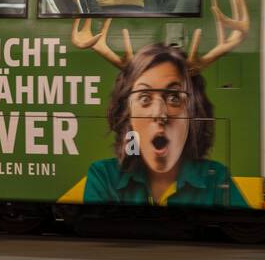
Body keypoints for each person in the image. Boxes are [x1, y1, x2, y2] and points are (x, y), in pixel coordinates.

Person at [83, 44, 247, 206]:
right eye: (145, 98)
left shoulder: (216, 178)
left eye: (174, 98)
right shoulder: (103, 176)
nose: (160, 114)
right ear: (128, 113)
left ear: (192, 112)